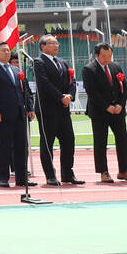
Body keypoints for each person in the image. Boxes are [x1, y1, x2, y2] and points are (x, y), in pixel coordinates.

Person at [32, 34, 83, 186]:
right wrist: (60, 96)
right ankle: (50, 175)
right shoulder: (38, 62)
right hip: (48, 109)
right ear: (43, 46)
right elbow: (44, 83)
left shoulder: (63, 62)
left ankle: (67, 173)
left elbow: (72, 81)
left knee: (69, 141)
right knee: (47, 143)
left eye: (57, 43)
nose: (56, 46)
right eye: (52, 43)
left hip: (63, 109)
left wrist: (70, 96)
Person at [0, 41, 34, 188]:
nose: (7, 53)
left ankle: (21, 178)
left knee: (21, 147)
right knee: (4, 147)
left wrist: (29, 107)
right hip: (3, 115)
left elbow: (24, 91)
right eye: (4, 50)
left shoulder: (16, 70)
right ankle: (3, 178)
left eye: (8, 50)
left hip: (20, 114)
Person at [82, 42, 127, 183]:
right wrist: (106, 106)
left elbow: (124, 88)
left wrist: (120, 105)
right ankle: (103, 172)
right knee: (101, 142)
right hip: (100, 112)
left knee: (123, 139)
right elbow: (92, 92)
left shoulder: (116, 67)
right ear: (96, 55)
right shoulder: (89, 69)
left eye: (109, 56)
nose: (107, 59)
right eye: (104, 56)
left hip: (117, 111)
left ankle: (123, 171)